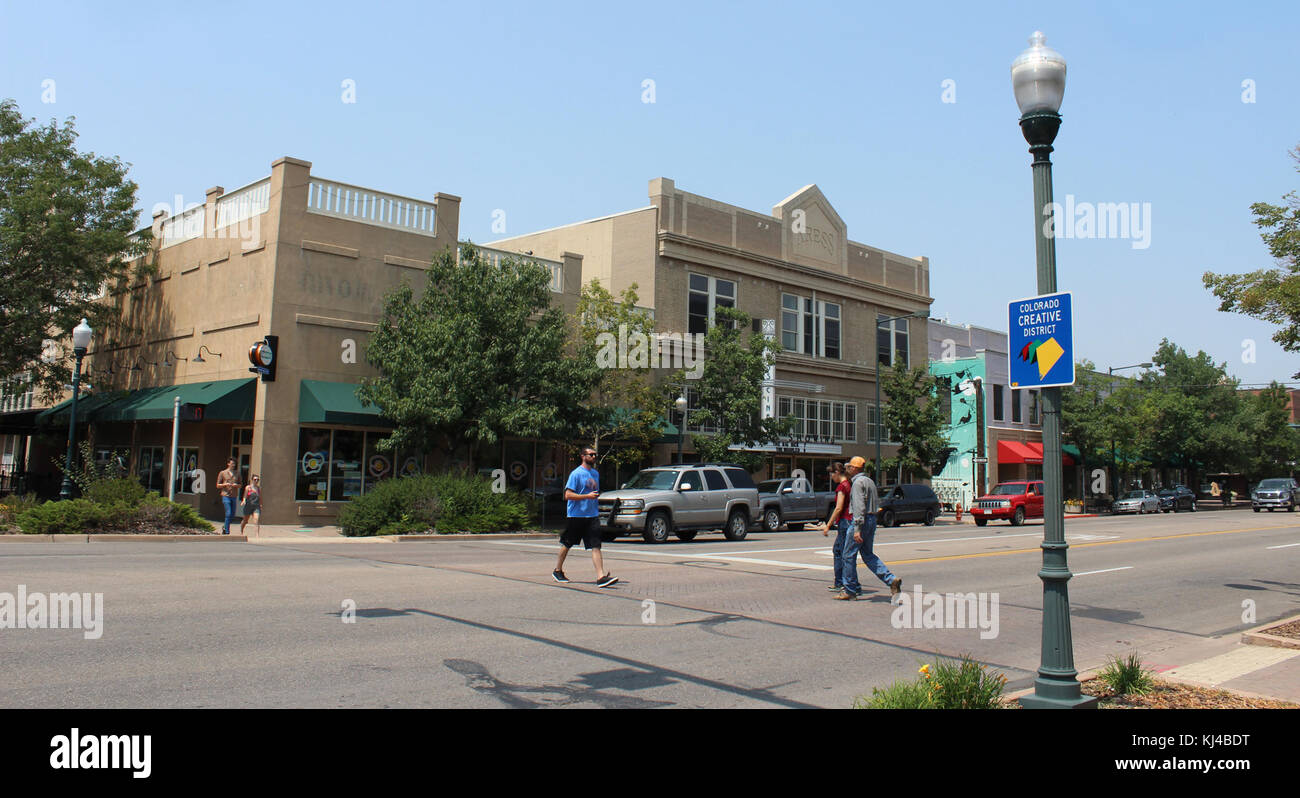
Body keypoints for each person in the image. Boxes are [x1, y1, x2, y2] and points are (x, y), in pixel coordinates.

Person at [837, 456, 903, 601]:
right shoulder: (869, 481)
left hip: (861, 520)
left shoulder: (857, 483)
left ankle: (849, 589)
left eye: (849, 467)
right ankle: (891, 580)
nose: (847, 469)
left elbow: (860, 507)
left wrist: (857, 528)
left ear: (854, 468)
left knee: (848, 554)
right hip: (872, 519)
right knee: (867, 554)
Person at [553, 447, 617, 587]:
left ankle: (601, 577)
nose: (594, 457)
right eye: (591, 454)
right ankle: (558, 570)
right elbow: (567, 495)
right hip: (576, 516)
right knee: (567, 543)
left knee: (596, 545)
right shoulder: (576, 474)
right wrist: (586, 496)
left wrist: (594, 497)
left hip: (592, 515)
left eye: (595, 454)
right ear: (583, 456)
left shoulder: (595, 473)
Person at [814, 463, 852, 592]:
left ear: (837, 472)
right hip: (849, 521)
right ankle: (849, 583)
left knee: (838, 552)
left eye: (831, 473)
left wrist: (828, 525)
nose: (831, 477)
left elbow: (839, 507)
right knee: (846, 553)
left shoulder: (842, 487)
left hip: (844, 521)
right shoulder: (850, 484)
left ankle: (840, 582)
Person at [216, 458, 239, 535]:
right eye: (232, 463)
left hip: (234, 495)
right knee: (228, 513)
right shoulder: (223, 473)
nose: (233, 465)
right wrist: (224, 484)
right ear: (228, 464)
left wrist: (237, 485)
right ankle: (227, 531)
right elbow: (217, 485)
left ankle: (224, 526)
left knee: (232, 515)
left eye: (234, 464)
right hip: (225, 495)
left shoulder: (237, 473)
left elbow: (240, 484)